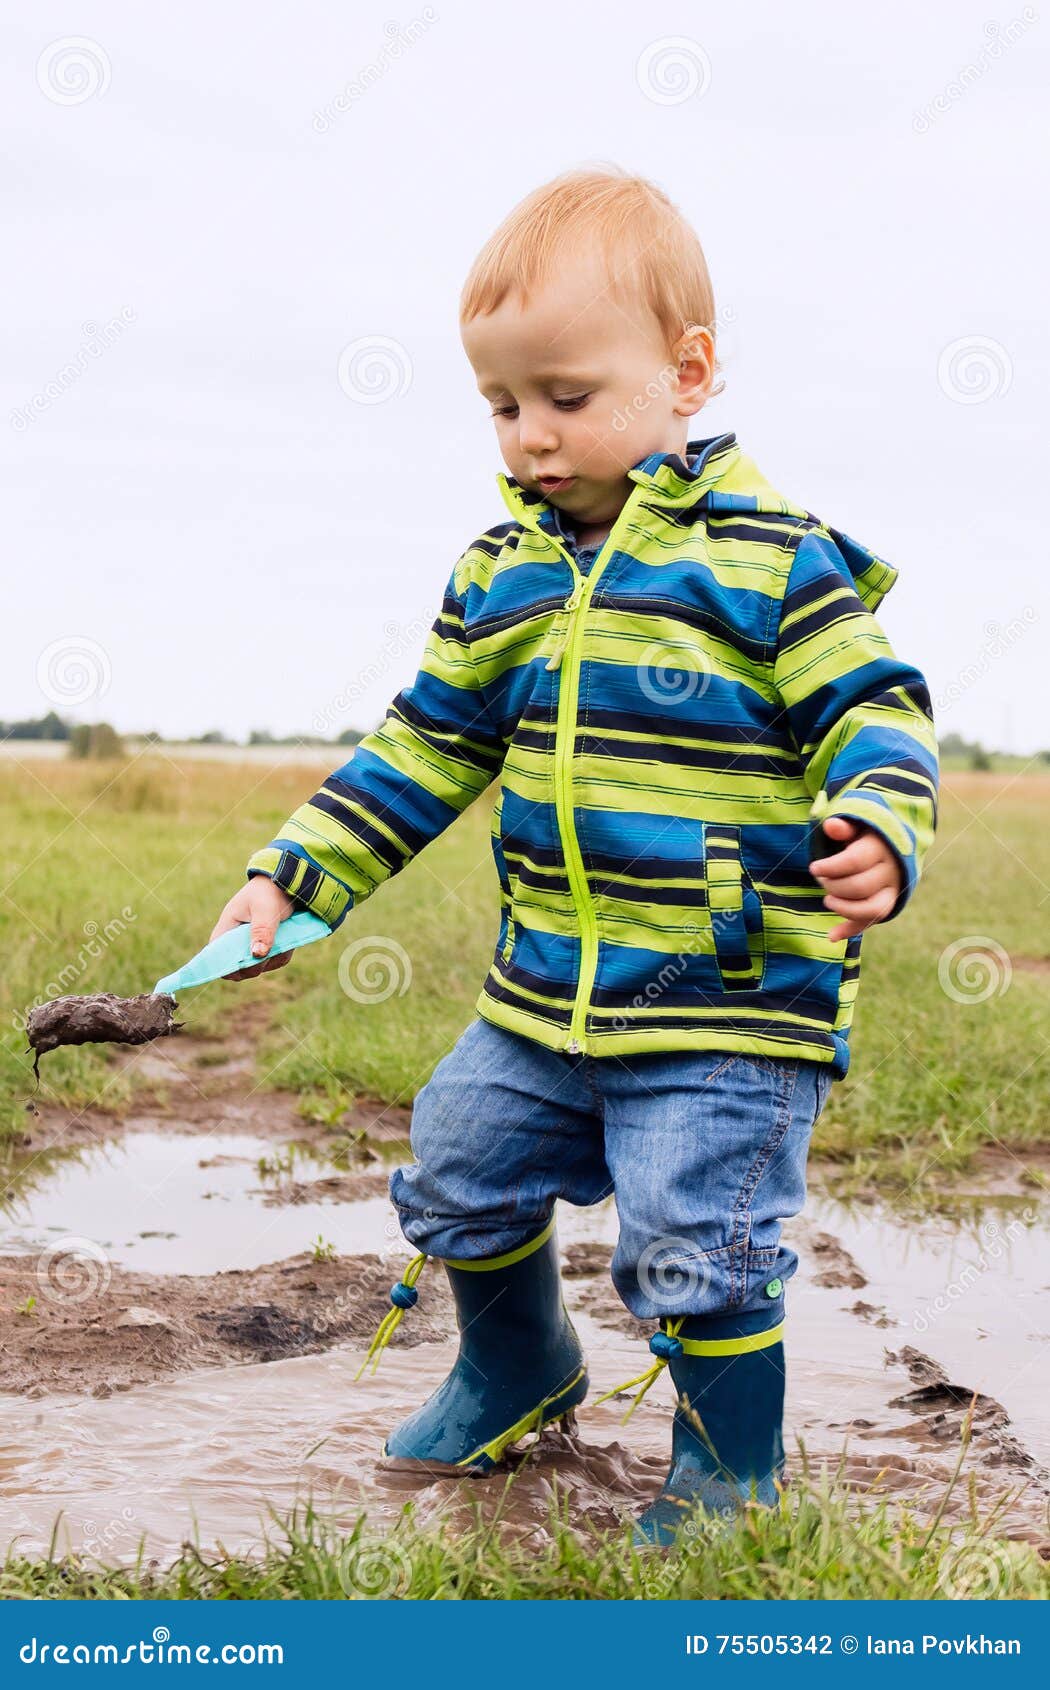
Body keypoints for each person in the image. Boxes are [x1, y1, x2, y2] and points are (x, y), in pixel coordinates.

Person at [210, 166, 939, 1547]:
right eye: (501, 404)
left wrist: (880, 824)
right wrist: (296, 872)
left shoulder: (773, 560)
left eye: (565, 396)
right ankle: (514, 1362)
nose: (530, 435)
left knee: (694, 1246)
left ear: (687, 373)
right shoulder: (500, 574)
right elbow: (421, 745)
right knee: (456, 1160)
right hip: (541, 997)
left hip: (726, 1004)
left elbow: (871, 708)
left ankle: (729, 1472)